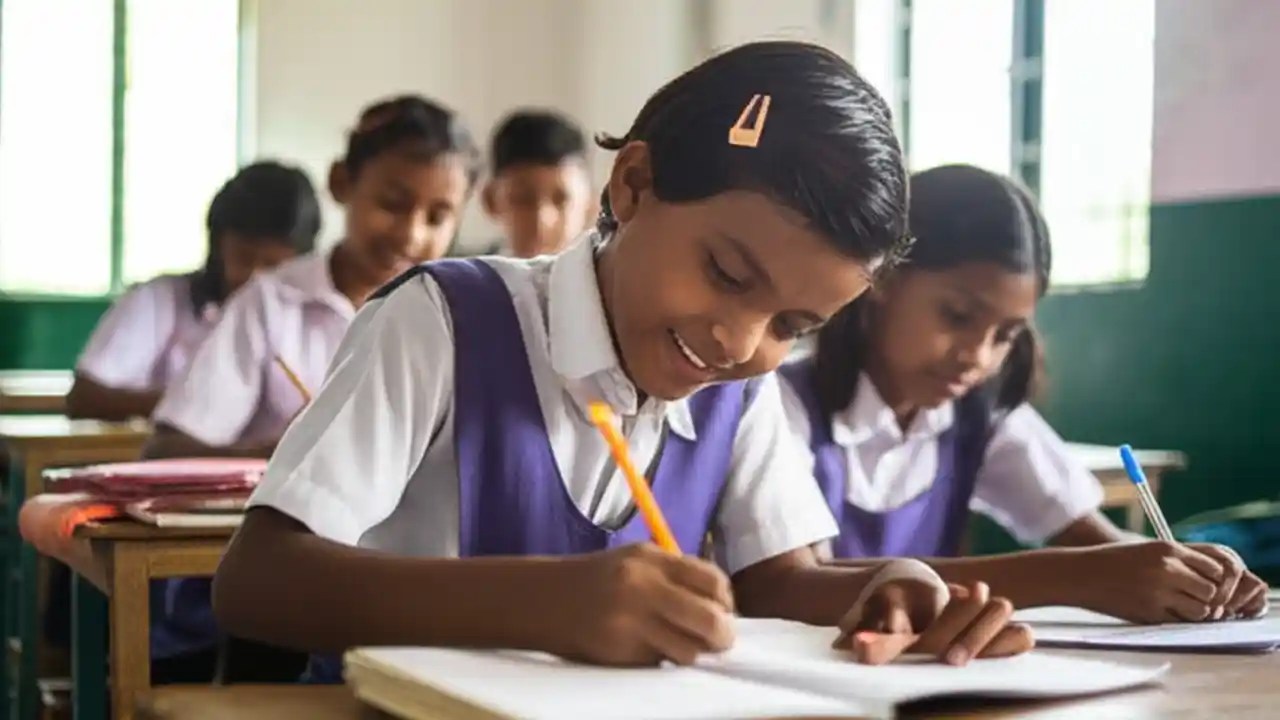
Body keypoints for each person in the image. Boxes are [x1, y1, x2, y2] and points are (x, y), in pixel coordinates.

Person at [213, 42, 1034, 682]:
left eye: (791, 322)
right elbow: (258, 582)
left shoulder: (737, 396)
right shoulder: (443, 322)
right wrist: (549, 603)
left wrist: (890, 587)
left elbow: (777, 582)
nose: (740, 343)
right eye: (728, 274)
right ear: (634, 184)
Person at [779, 164, 1268, 624]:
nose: (978, 355)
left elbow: (1096, 545)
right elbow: (801, 583)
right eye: (957, 316)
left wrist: (1188, 578)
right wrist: (1081, 577)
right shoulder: (784, 407)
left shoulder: (981, 417)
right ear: (882, 277)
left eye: (1006, 334)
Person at [145, 94, 480, 459]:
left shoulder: (460, 318)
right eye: (392, 204)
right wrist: (279, 457)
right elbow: (164, 450)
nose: (411, 235)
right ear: (341, 183)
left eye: (437, 218)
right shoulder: (269, 304)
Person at [66, 161, 320, 421]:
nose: (255, 278)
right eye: (243, 258)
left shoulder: (318, 319)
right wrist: (196, 407)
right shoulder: (158, 301)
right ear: (218, 247)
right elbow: (84, 398)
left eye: (272, 266)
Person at [482, 109, 593, 258]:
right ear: (490, 200)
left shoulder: (612, 279)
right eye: (524, 199)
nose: (542, 220)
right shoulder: (460, 279)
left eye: (561, 200)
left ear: (590, 205)